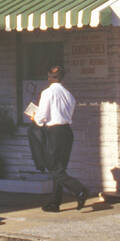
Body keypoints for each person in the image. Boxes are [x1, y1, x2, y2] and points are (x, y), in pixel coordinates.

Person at [33, 65, 88, 212]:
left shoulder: (47, 93)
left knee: (53, 167)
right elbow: (69, 114)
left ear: (49, 77)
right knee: (60, 168)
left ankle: (79, 190)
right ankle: (55, 202)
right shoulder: (69, 95)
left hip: (54, 131)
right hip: (67, 132)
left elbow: (42, 115)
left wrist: (35, 119)